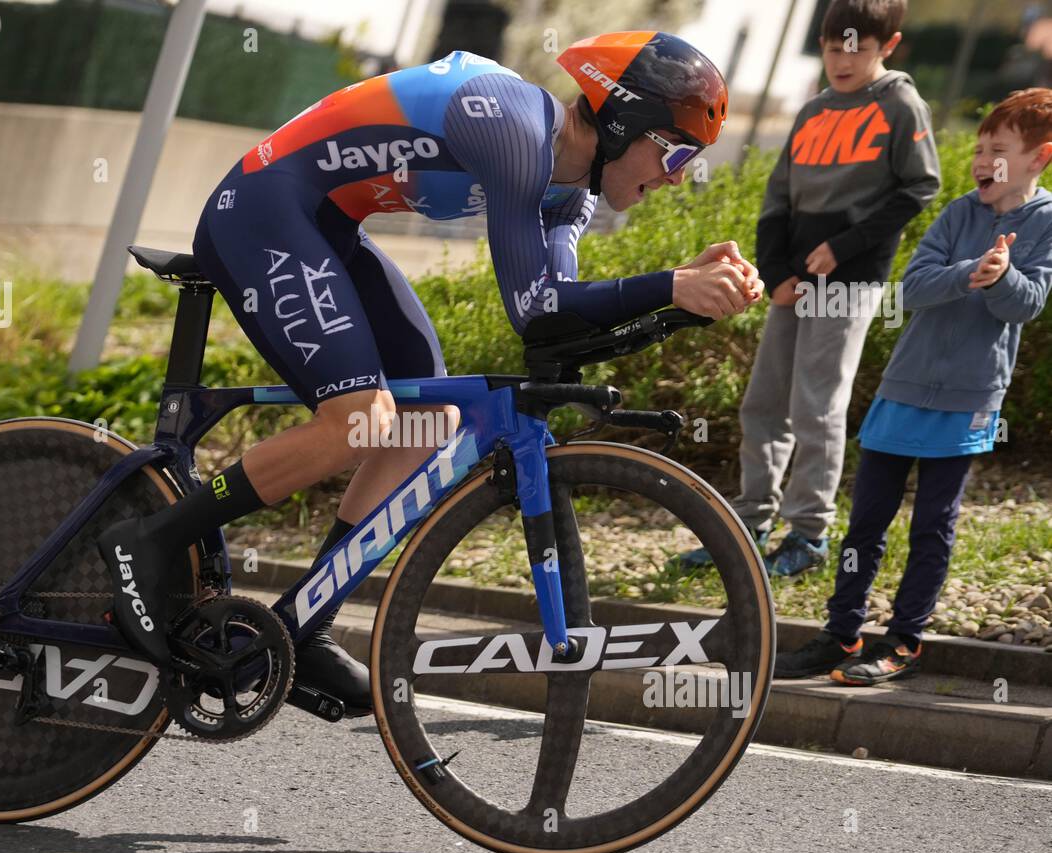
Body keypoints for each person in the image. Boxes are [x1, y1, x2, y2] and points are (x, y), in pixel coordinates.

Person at [98, 32, 764, 711]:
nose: (680, 174)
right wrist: (670, 283)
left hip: (326, 226)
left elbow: (555, 326)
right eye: (676, 150)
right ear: (622, 120)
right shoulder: (513, 126)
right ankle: (150, 540)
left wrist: (685, 299)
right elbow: (534, 308)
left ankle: (304, 628)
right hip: (265, 210)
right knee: (359, 423)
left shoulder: (569, 194)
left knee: (426, 425)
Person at [776, 87, 1052, 683]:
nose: (981, 160)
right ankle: (840, 634)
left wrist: (1002, 279)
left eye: (997, 149)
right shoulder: (958, 214)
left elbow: (1027, 305)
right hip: (902, 390)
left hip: (969, 402)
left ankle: (904, 639)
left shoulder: (1047, 223)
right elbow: (914, 285)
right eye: (979, 147)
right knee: (864, 522)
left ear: (1039, 157)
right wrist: (968, 273)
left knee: (933, 524)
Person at [675, 0, 940, 576]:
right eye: (832, 47)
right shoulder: (813, 110)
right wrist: (777, 273)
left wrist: (842, 248)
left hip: (850, 283)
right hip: (794, 283)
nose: (843, 60)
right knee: (765, 402)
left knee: (816, 407)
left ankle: (809, 535)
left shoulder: (899, 103)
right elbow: (778, 199)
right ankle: (749, 522)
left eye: (859, 49)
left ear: (887, 48)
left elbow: (920, 187)